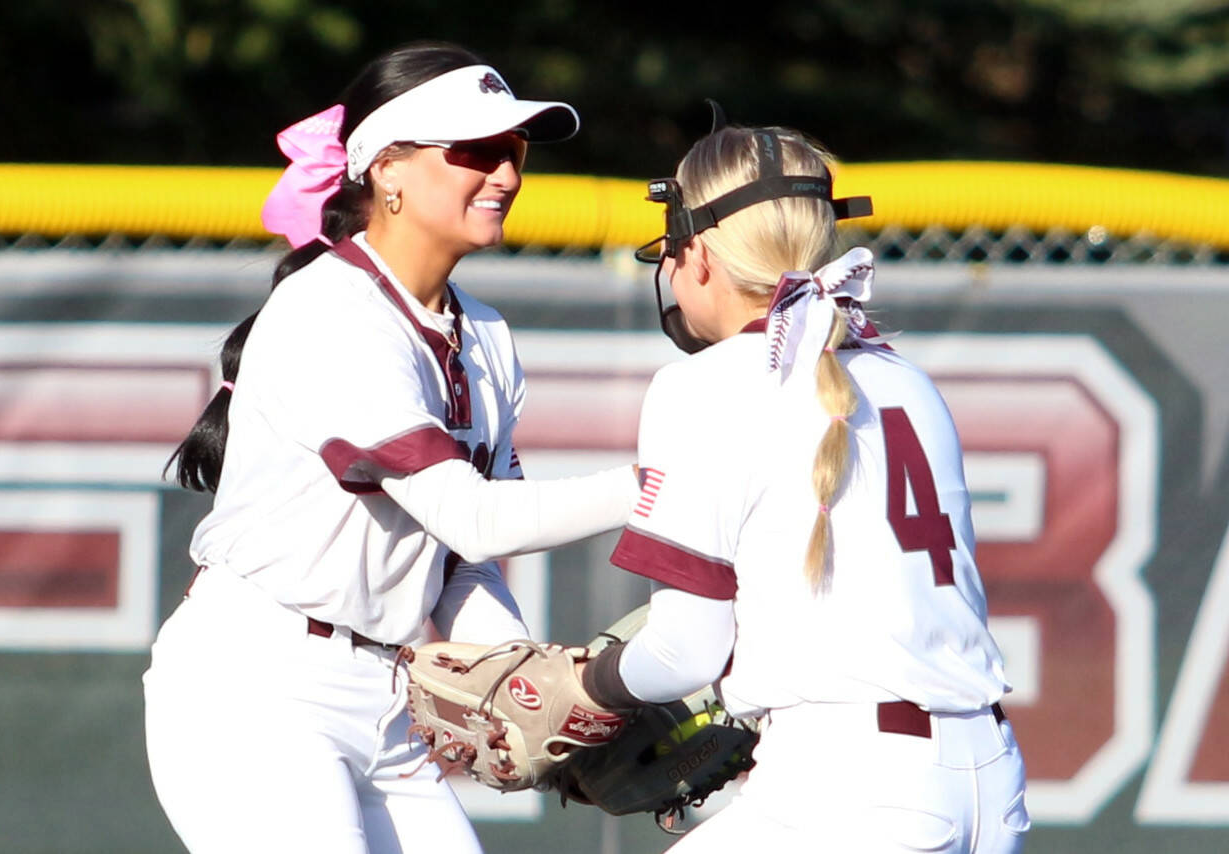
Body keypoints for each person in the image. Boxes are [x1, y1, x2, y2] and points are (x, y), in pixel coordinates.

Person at [143, 42, 639, 854]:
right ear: (386, 170)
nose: (507, 175)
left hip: (388, 691)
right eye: (476, 151)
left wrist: (525, 685)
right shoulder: (331, 312)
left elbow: (462, 560)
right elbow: (475, 518)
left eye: (515, 152)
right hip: (258, 683)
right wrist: (658, 484)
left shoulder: (484, 334)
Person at [578, 124, 1030, 852]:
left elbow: (684, 651)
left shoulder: (703, 384)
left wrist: (583, 689)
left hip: (851, 784)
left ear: (696, 252)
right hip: (985, 782)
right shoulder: (902, 375)